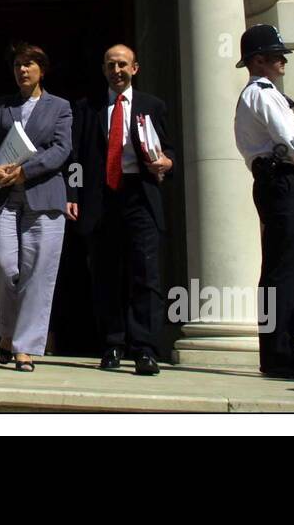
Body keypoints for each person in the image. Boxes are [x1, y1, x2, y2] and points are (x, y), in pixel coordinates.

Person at [67, 44, 176, 376]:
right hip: (101, 199)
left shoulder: (152, 106)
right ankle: (112, 344)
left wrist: (166, 162)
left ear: (135, 68)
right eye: (111, 65)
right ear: (103, 70)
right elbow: (75, 156)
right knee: (105, 275)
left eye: (123, 65)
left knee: (145, 274)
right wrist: (72, 193)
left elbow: (170, 149)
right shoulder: (87, 109)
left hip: (139, 196)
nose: (117, 70)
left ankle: (145, 349)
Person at [233, 24, 294, 381]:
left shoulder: (257, 94)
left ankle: (280, 350)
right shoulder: (264, 93)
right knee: (285, 271)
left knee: (281, 269)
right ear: (259, 60)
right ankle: (282, 352)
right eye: (277, 55)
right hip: (282, 181)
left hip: (273, 181)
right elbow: (293, 141)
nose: (283, 61)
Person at [0, 43, 72, 372]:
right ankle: (8, 331)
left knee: (38, 272)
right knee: (2, 265)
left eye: (29, 64)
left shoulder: (60, 107)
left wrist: (26, 171)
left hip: (43, 194)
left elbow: (62, 148)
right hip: (2, 193)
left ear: (41, 70)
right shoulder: (0, 106)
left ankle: (24, 347)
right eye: (17, 64)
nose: (22, 70)